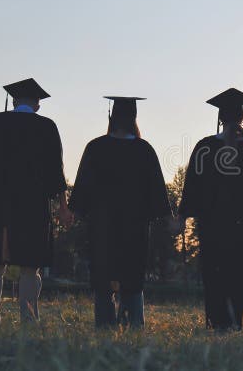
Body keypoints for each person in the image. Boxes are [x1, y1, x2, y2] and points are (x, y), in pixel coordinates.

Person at [178, 88, 243, 332]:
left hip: (211, 223)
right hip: (242, 224)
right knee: (238, 273)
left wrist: (183, 215)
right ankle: (234, 323)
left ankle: (215, 323)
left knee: (214, 274)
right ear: (242, 117)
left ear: (221, 118)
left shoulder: (205, 147)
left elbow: (191, 184)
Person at [69, 96, 171, 328]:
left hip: (102, 226)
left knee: (103, 278)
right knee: (132, 277)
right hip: (134, 226)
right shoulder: (143, 149)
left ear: (111, 117)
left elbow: (82, 186)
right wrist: (169, 218)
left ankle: (104, 326)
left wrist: (72, 212)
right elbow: (157, 189)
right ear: (134, 118)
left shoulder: (95, 147)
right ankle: (133, 324)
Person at [0, 78, 72, 324]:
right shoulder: (47, 127)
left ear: (14, 101)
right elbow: (56, 170)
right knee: (31, 265)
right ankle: (28, 318)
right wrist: (63, 206)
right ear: (38, 105)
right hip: (32, 205)